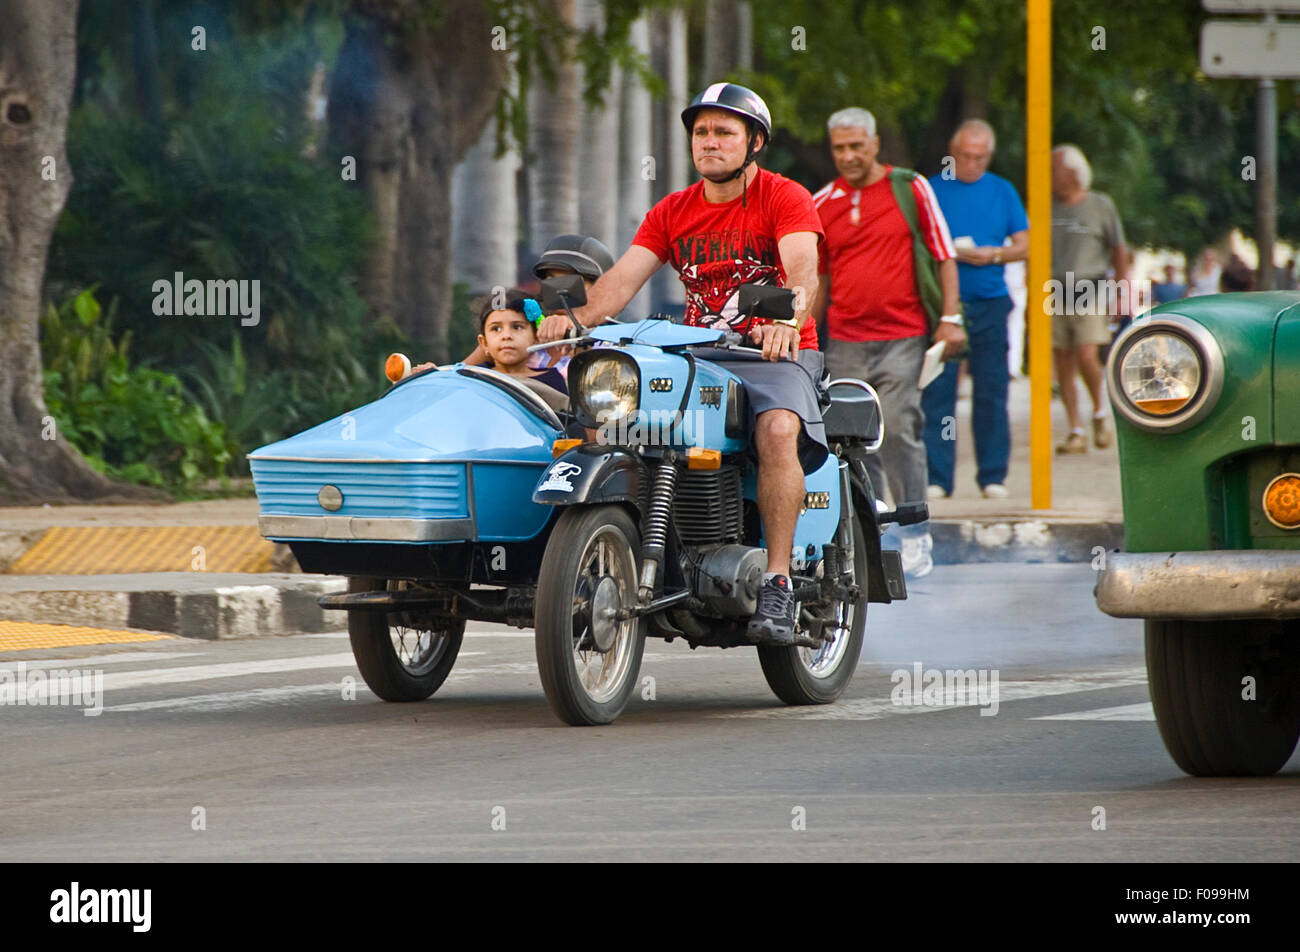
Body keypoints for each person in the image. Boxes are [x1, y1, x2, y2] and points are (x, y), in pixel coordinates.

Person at [536, 82, 824, 645]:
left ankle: (779, 581)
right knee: (608, 420)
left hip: (773, 353)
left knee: (778, 427)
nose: (709, 143)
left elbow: (801, 270)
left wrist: (785, 322)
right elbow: (615, 289)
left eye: (724, 132)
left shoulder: (785, 197)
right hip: (697, 355)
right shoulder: (671, 211)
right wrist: (571, 321)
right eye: (701, 133)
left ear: (754, 142)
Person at [809, 107, 965, 579]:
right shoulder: (821, 202)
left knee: (897, 426)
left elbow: (944, 255)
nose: (849, 156)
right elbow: (817, 279)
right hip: (846, 341)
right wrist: (807, 342)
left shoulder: (911, 187)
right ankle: (873, 532)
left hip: (903, 335)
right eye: (839, 148)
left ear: (875, 144)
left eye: (857, 146)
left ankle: (916, 532)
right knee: (854, 441)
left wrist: (951, 319)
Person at [923, 119, 1029, 501]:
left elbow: (1025, 244)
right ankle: (937, 477)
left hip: (989, 301)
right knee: (938, 392)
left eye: (980, 157)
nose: (972, 164)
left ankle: (992, 476)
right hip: (942, 305)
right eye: (965, 156)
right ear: (953, 151)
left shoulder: (1002, 190)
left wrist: (994, 254)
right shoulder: (932, 189)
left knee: (991, 390)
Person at [1050, 144, 1127, 454]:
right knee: (1063, 362)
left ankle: (1098, 411)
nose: (1049, 176)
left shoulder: (1100, 205)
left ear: (1071, 172)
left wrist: (1122, 289)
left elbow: (1118, 247)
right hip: (1054, 288)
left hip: (1089, 286)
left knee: (1086, 354)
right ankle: (1075, 429)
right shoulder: (1045, 206)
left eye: (1054, 169)